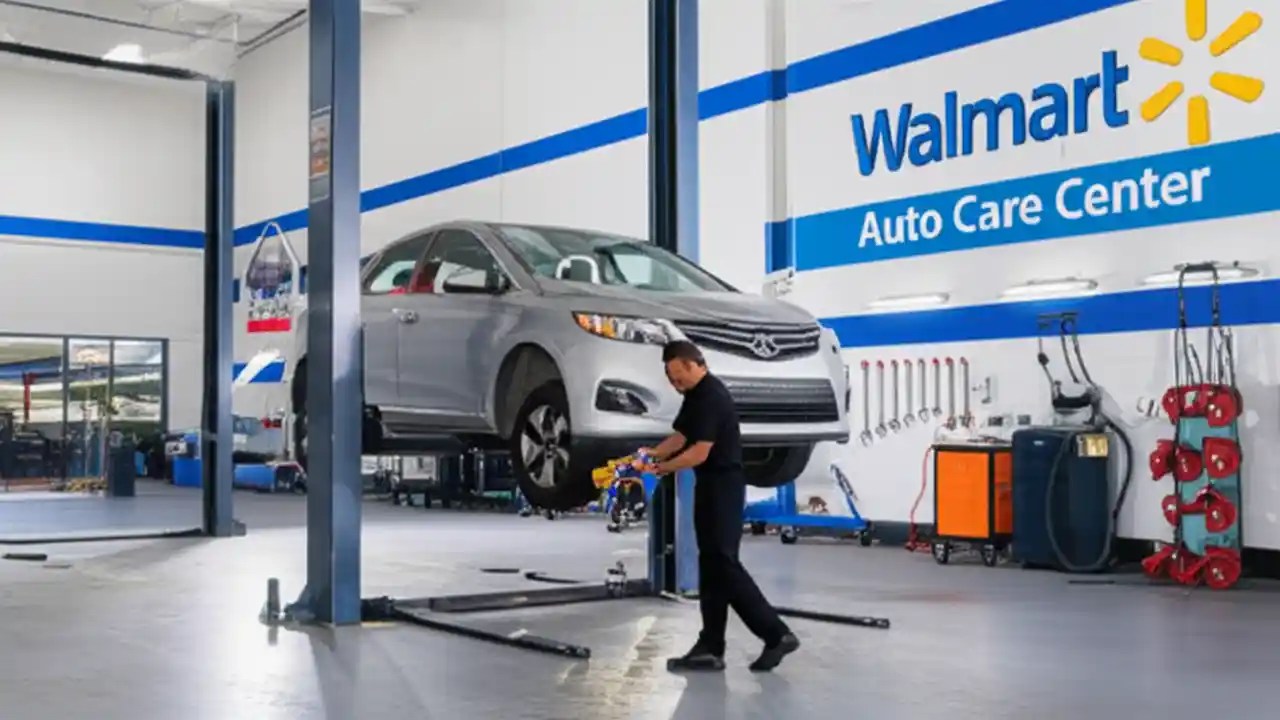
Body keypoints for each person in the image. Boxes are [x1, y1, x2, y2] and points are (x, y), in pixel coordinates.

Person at [639, 340, 800, 672]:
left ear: (692, 364)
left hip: (723, 485)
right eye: (670, 379)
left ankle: (776, 633)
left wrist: (660, 469)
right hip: (710, 485)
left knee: (724, 565)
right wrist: (653, 452)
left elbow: (699, 452)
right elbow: (683, 437)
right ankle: (710, 647)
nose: (675, 384)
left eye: (677, 376)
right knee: (711, 567)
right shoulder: (695, 396)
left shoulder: (712, 395)